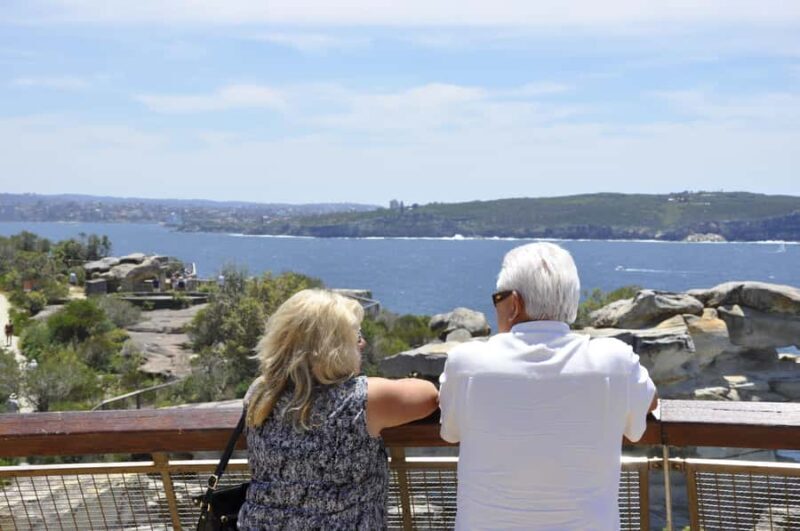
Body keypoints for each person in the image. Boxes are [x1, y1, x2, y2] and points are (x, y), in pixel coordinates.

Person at [438, 242, 657, 530]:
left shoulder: (466, 362)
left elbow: (451, 432)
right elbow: (650, 403)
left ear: (514, 304)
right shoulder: (614, 360)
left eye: (497, 298)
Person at [238, 289, 438, 529]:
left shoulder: (259, 392)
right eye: (355, 336)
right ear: (334, 346)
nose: (362, 343)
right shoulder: (360, 400)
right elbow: (429, 395)